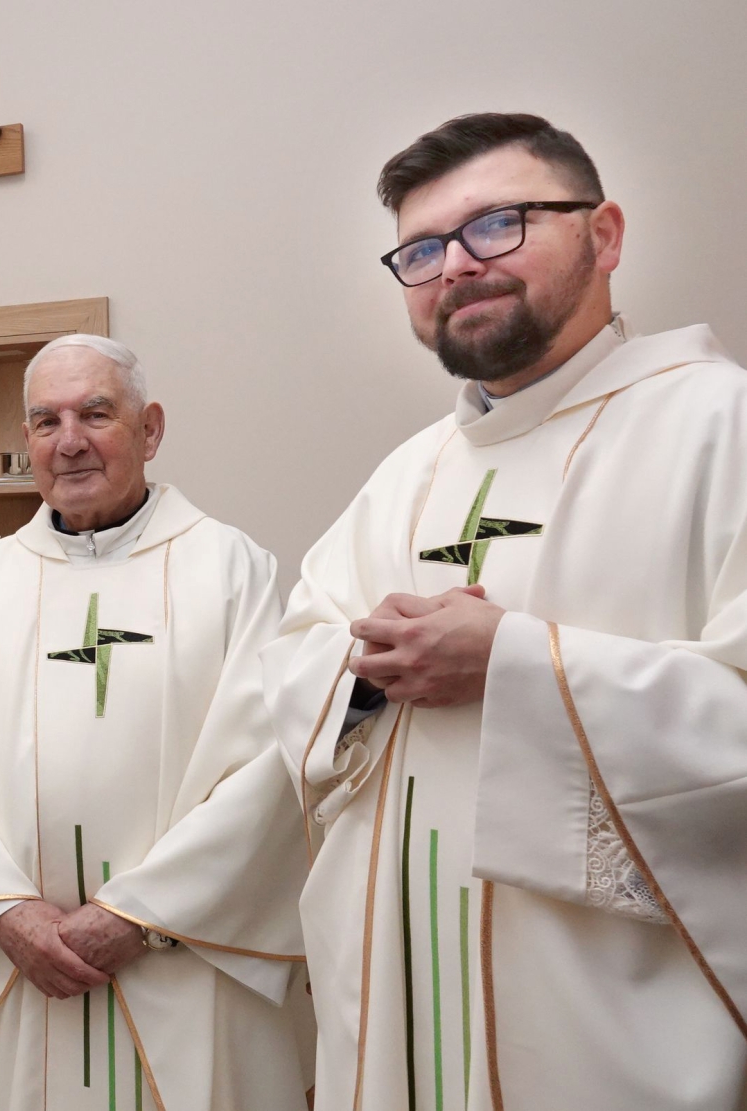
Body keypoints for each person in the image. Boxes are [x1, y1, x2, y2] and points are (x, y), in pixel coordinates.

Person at [263, 112, 747, 1110]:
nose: (457, 265)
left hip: (604, 1026)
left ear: (604, 234)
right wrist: (364, 675)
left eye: (497, 225)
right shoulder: (408, 473)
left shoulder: (718, 425)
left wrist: (514, 662)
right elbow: (297, 657)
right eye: (423, 249)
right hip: (400, 994)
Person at [0, 335, 311, 1110]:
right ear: (27, 440)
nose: (70, 441)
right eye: (47, 421)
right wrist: (4, 912)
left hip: (182, 968)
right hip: (19, 970)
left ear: (150, 429)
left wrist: (138, 913)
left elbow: (268, 765)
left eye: (95, 414)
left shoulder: (231, 570)